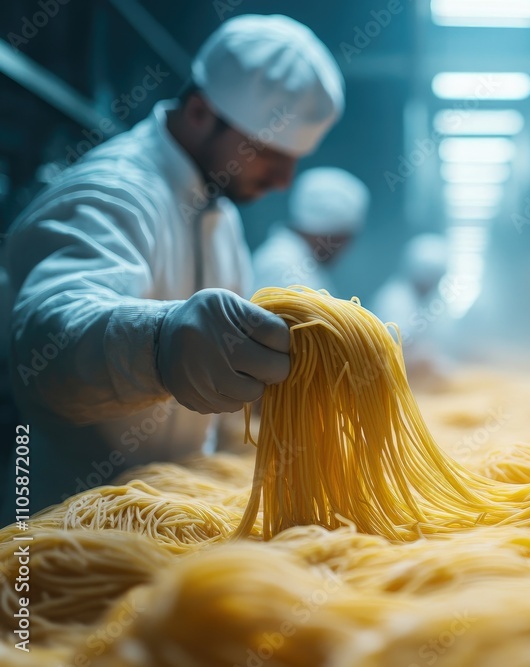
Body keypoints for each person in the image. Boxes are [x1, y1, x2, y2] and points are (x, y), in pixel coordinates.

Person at [0, 14, 345, 514]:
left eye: (294, 160)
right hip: (63, 529)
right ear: (202, 112)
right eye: (270, 154)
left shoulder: (220, 218)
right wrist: (158, 342)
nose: (285, 180)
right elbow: (46, 341)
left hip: (163, 523)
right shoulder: (113, 193)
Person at [253, 167, 369, 294]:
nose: (344, 250)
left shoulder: (302, 262)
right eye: (343, 240)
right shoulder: (282, 266)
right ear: (329, 234)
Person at [371, 234, 452, 383]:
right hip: (389, 380)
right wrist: (424, 358)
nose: (431, 284)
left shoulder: (424, 300)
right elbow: (392, 347)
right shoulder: (395, 299)